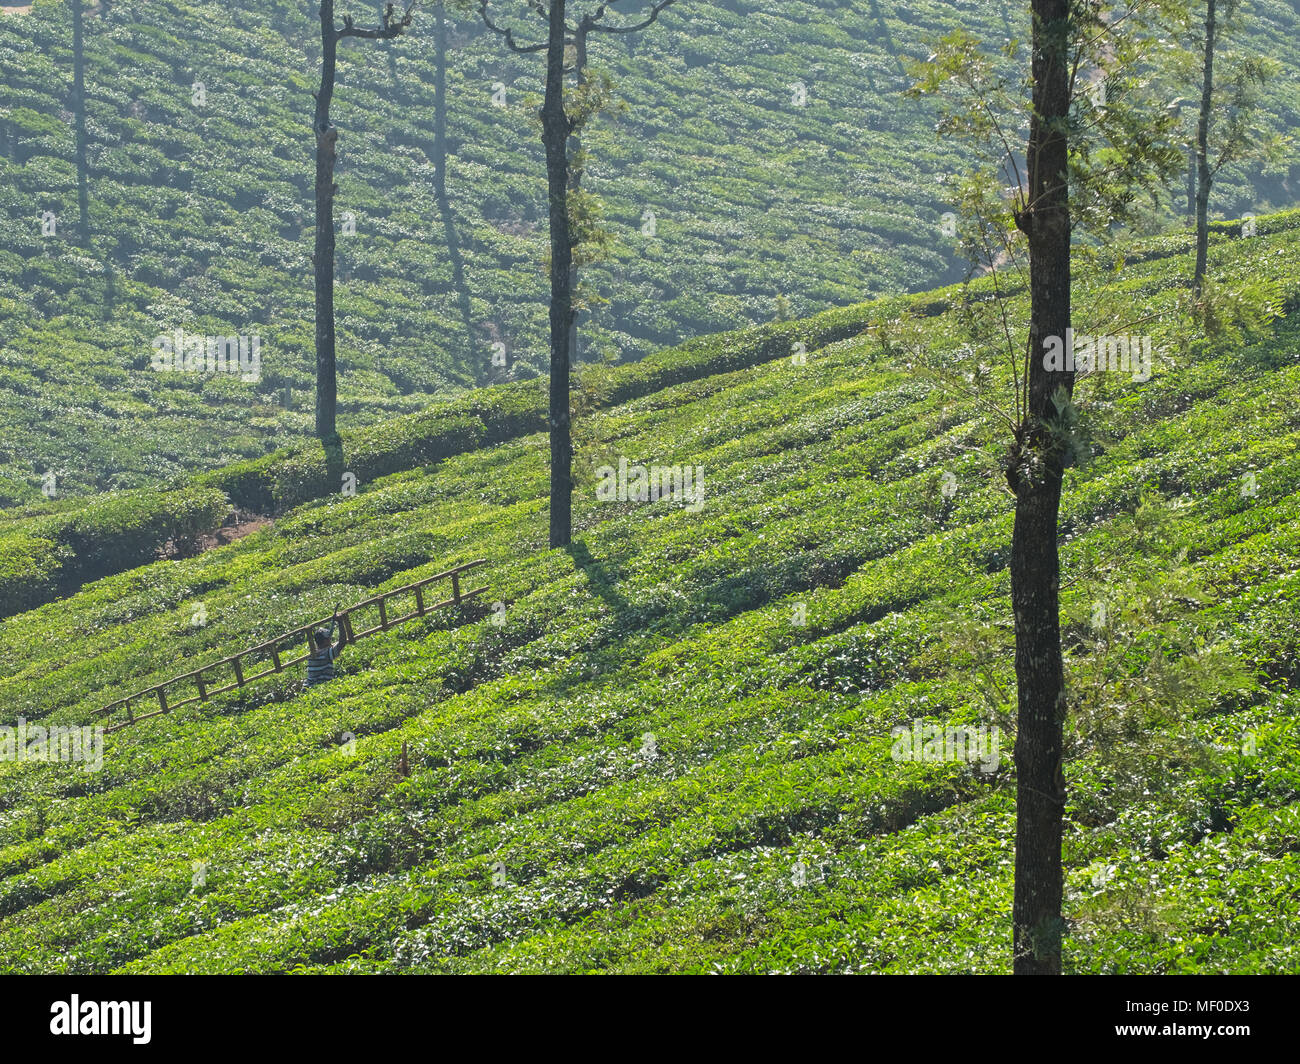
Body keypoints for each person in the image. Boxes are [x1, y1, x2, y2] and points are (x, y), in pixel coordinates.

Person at [305, 609, 349, 687]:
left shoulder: (315, 652)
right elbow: (342, 642)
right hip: (315, 687)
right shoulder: (325, 654)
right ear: (325, 641)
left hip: (309, 687)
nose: (330, 640)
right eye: (329, 638)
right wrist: (340, 622)